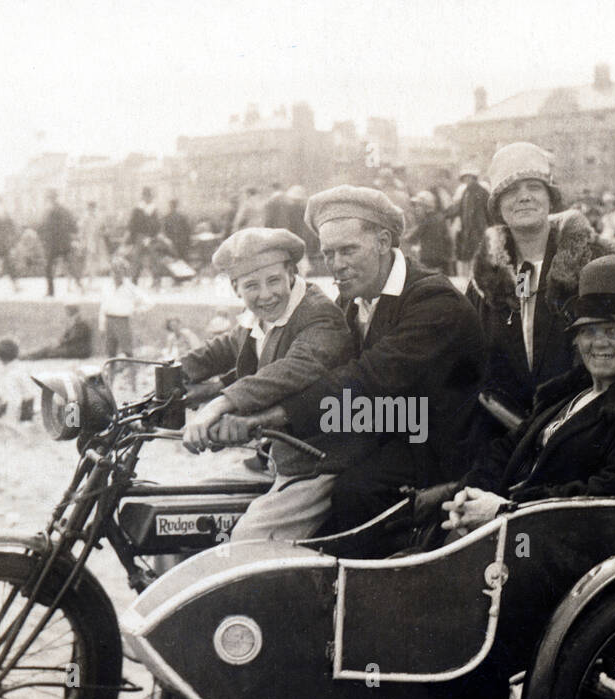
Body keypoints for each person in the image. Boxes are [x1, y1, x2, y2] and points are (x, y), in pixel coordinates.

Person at [230, 184, 484, 539]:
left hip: (439, 442)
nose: (337, 265)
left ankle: (349, 587)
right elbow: (319, 365)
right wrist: (224, 396)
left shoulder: (432, 299)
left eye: (348, 250)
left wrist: (268, 417)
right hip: (386, 428)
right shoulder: (354, 299)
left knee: (351, 490)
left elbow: (365, 378)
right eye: (329, 254)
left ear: (383, 242)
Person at [430, 254, 615, 535]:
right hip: (513, 527)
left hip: (556, 546)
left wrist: (505, 510)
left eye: (613, 331)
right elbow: (509, 448)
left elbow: (606, 500)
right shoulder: (569, 392)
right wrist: (472, 491)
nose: (599, 343)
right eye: (588, 331)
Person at [178, 228, 354, 540]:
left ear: (291, 273)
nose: (266, 294)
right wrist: (175, 374)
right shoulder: (257, 318)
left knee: (248, 541)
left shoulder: (319, 315)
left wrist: (219, 403)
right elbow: (224, 347)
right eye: (251, 286)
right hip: (273, 457)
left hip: (315, 463)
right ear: (236, 289)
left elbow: (293, 368)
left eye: (274, 280)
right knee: (186, 511)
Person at [464, 141, 615, 448]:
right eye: (511, 190)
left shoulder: (597, 263)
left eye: (534, 187)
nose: (524, 196)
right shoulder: (485, 280)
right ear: (498, 206)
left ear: (550, 197)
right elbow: (473, 364)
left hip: (588, 430)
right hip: (507, 433)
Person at [97, 256, 155, 357]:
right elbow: (103, 307)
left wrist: (137, 310)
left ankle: (131, 370)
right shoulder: (106, 286)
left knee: (127, 350)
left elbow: (149, 302)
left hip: (122, 320)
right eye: (114, 271)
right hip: (109, 320)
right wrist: (101, 325)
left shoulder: (130, 288)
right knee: (110, 351)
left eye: (119, 271)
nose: (116, 274)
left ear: (124, 272)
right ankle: (111, 371)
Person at [450, 165, 490, 274]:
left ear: (473, 178)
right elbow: (461, 210)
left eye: (468, 177)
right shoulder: (465, 192)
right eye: (464, 178)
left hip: (478, 229)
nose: (466, 180)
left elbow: (488, 211)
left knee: (478, 255)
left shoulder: (482, 192)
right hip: (467, 230)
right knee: (470, 256)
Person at [39, 190, 77, 297]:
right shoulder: (64, 210)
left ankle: (51, 291)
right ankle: (80, 286)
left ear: (51, 198)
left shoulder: (50, 211)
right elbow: (72, 225)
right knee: (70, 266)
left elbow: (45, 227)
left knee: (49, 267)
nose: (48, 200)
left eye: (49, 198)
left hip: (55, 244)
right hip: (64, 243)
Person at [403, 190, 451, 275]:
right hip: (442, 260)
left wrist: (403, 236)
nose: (416, 209)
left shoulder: (426, 221)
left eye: (418, 206)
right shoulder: (440, 218)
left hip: (428, 260)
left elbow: (412, 238)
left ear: (426, 207)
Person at [25, 303, 93, 360]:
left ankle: (29, 356)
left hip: (79, 351)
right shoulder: (75, 324)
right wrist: (58, 342)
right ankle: (29, 355)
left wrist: (59, 343)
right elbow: (66, 336)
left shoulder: (82, 325)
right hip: (73, 349)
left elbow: (72, 339)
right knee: (48, 349)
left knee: (49, 351)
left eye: (68, 311)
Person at [127, 187, 164, 286]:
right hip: (140, 236)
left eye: (150, 196)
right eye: (147, 196)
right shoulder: (138, 209)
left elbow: (158, 224)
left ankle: (156, 279)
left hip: (150, 237)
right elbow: (132, 225)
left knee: (154, 258)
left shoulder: (153, 209)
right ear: (143, 197)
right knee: (137, 258)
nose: (149, 198)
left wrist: (153, 234)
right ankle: (134, 279)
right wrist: (134, 237)